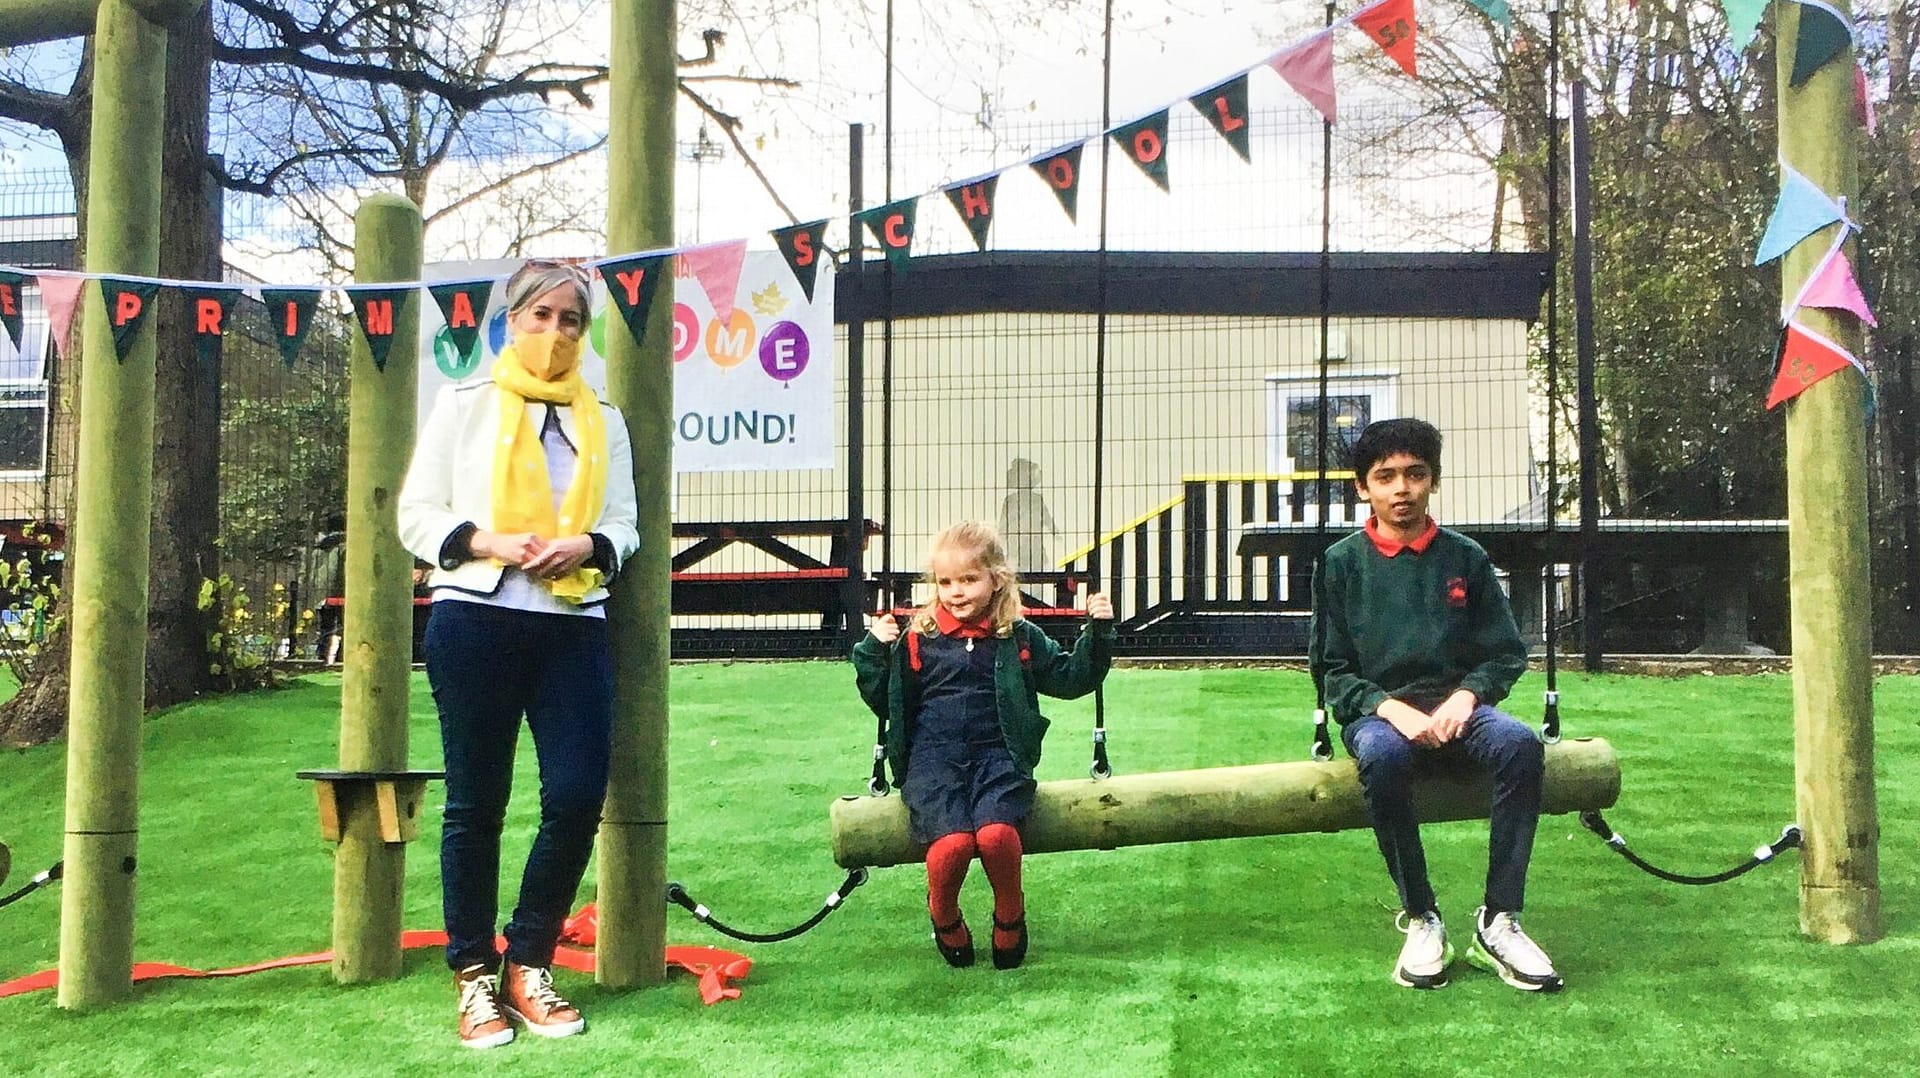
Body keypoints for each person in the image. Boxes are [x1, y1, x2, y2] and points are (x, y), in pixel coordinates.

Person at [398, 260, 639, 1048]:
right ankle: (472, 975)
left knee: (575, 795)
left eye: (572, 319)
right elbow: (415, 514)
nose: (556, 332)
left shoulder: (603, 415)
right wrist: (487, 541)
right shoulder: (464, 404)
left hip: (574, 624)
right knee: (477, 801)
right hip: (476, 619)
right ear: (510, 320)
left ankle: (528, 961)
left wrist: (588, 544)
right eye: (541, 315)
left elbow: (628, 527)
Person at [1308, 417, 1560, 992]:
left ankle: (1500, 919)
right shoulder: (1340, 564)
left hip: (1459, 710)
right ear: (1363, 488)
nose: (1402, 489)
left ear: (1434, 481)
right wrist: (1387, 708)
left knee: (1520, 744)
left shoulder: (1465, 558)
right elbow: (1332, 669)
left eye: (1415, 475)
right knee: (1383, 758)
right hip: (1381, 716)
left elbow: (1505, 654)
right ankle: (1422, 916)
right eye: (1386, 476)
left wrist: (1466, 698)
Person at [853, 520, 1114, 970]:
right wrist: (873, 649)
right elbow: (885, 700)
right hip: (933, 760)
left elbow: (1071, 678)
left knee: (996, 836)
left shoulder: (1018, 637)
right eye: (946, 581)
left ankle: (1010, 916)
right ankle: (944, 914)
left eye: (969, 579)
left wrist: (1099, 631)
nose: (956, 591)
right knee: (952, 844)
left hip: (999, 756)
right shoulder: (918, 637)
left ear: (997, 579)